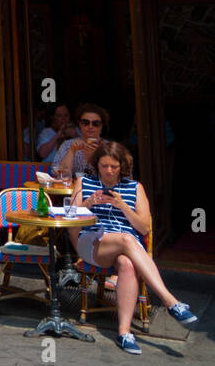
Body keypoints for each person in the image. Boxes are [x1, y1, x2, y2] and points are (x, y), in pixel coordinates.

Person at [69, 141, 197, 354]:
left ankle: (124, 333)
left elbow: (144, 227)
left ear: (122, 166)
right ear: (97, 165)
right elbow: (70, 218)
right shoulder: (84, 183)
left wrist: (123, 206)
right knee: (128, 240)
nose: (109, 171)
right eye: (104, 166)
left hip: (125, 247)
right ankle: (170, 301)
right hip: (93, 243)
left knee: (127, 264)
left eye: (114, 167)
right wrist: (88, 203)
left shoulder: (135, 188)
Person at [53, 103, 109, 180]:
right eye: (86, 122)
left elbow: (114, 177)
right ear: (80, 124)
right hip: (72, 190)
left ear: (102, 125)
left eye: (95, 123)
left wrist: (100, 156)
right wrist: (72, 151)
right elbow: (59, 174)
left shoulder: (109, 147)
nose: (90, 126)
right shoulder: (67, 145)